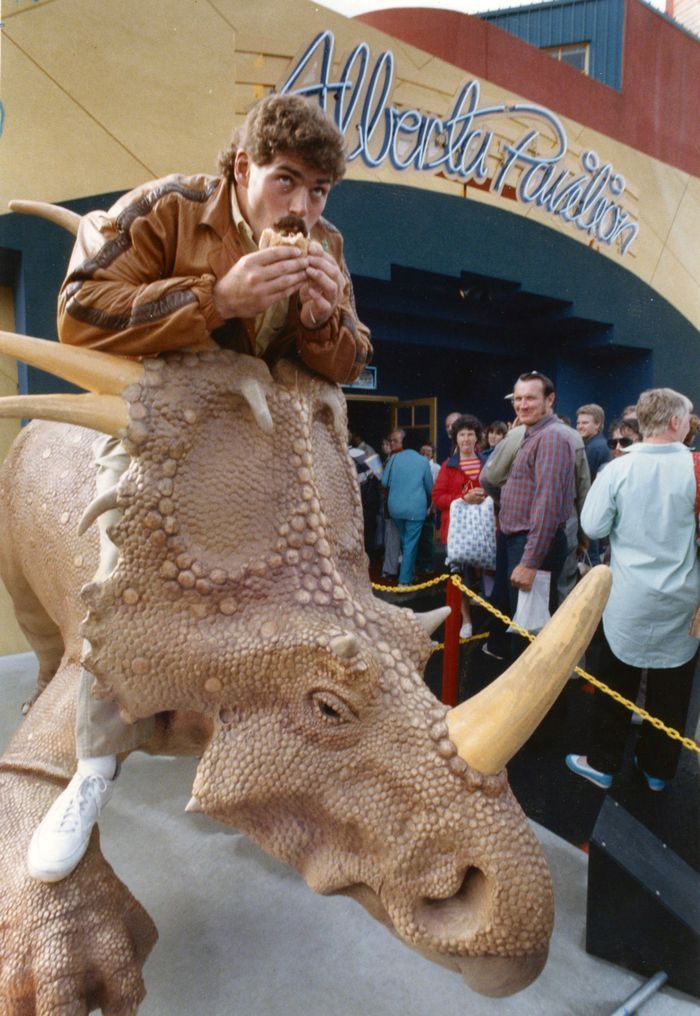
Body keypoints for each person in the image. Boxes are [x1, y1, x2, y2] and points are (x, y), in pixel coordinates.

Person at [27, 93, 372, 883]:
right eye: (288, 181)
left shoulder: (331, 244)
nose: (305, 207)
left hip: (272, 442)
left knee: (317, 591)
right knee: (127, 575)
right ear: (245, 166)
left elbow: (351, 357)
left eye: (320, 191)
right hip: (171, 425)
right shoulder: (167, 208)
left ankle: (279, 761)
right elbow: (78, 310)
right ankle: (94, 763)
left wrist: (324, 321)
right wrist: (217, 299)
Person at [566, 388, 699, 792]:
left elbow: (594, 526)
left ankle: (602, 762)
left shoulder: (618, 470)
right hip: (684, 598)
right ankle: (657, 770)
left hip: (627, 597)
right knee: (672, 691)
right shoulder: (696, 468)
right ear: (675, 423)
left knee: (613, 682)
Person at [498, 372, 576, 649]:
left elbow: (547, 504)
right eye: (518, 398)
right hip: (521, 544)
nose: (522, 405)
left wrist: (530, 561)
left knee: (529, 637)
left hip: (532, 548)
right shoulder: (533, 434)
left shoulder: (552, 438)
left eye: (530, 398)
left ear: (550, 399)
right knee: (522, 630)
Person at [432, 414, 488, 638]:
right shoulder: (448, 465)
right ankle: (466, 620)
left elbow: (498, 490)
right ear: (456, 438)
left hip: (484, 531)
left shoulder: (487, 463)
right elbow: (438, 497)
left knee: (487, 576)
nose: (466, 439)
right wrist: (463, 498)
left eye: (470, 434)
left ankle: (488, 621)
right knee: (460, 578)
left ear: (477, 438)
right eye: (461, 434)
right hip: (457, 533)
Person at [381, 431, 433, 586]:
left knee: (406, 542)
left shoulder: (394, 458)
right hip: (415, 509)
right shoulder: (423, 462)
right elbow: (430, 488)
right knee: (410, 544)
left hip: (395, 508)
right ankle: (404, 581)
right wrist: (428, 504)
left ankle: (409, 573)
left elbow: (384, 482)